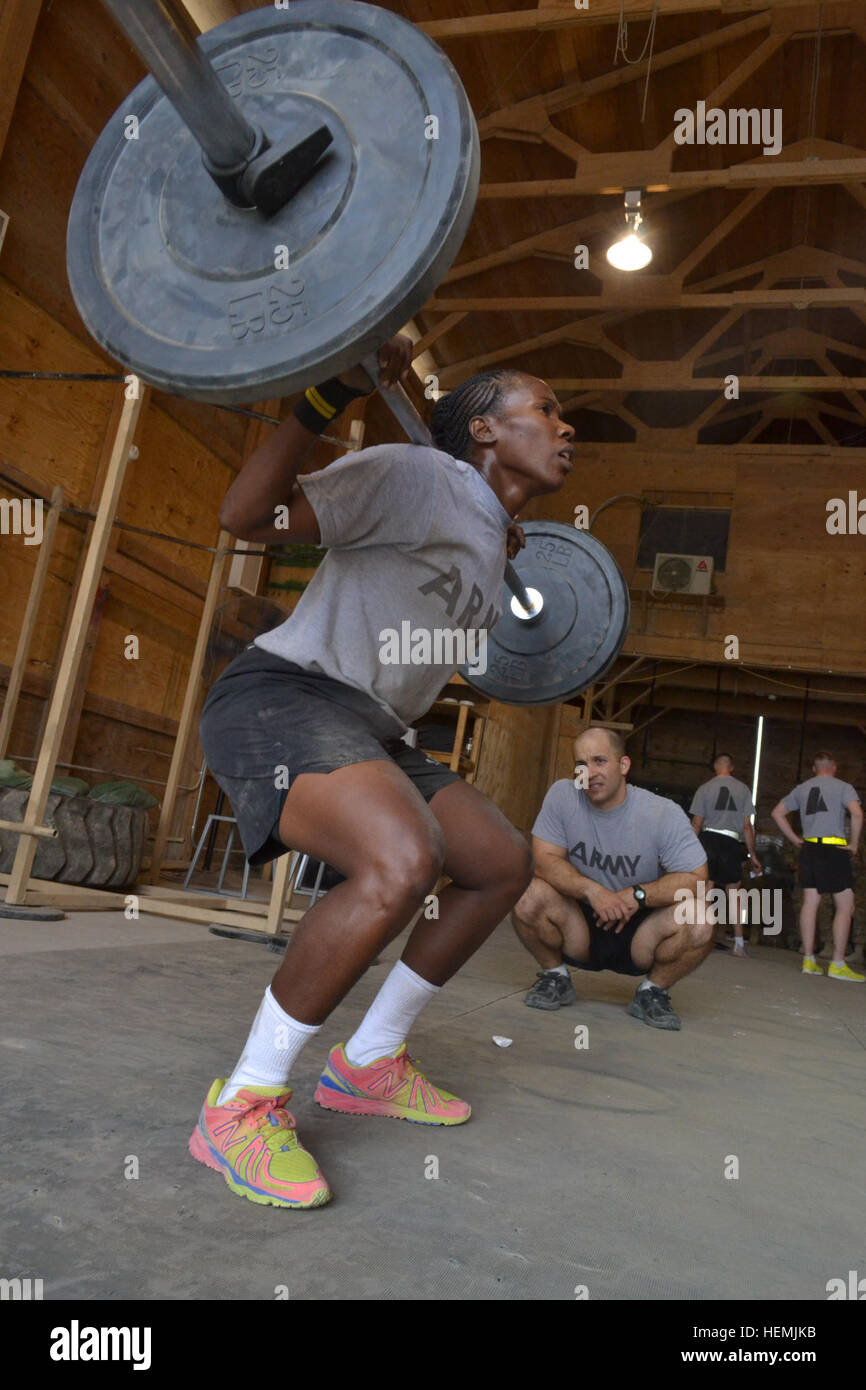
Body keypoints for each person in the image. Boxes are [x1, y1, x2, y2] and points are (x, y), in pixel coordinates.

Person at [191, 334, 577, 1208]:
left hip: (375, 726)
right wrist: (320, 402)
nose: (567, 426)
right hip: (285, 695)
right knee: (403, 858)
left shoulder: (491, 532)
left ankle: (368, 1060)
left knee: (498, 861)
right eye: (546, 408)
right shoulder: (415, 475)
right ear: (484, 427)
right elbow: (246, 515)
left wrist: (490, 537)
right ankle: (243, 1102)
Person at [512, 726, 710, 1031]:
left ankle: (652, 992)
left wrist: (637, 895)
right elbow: (543, 860)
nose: (589, 772)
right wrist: (592, 891)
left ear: (624, 765)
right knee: (525, 892)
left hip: (640, 930)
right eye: (581, 764)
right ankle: (555, 977)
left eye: (599, 761)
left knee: (701, 915)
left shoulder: (662, 813)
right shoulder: (563, 796)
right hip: (579, 922)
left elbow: (697, 879)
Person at [771, 752, 864, 981]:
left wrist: (795, 839)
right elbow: (857, 813)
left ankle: (809, 960)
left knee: (810, 904)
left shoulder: (802, 789)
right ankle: (838, 963)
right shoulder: (844, 787)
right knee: (845, 906)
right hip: (834, 850)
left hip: (810, 849)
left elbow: (777, 813)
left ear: (814, 768)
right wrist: (853, 843)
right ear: (834, 767)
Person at [690, 754, 762, 957]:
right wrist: (753, 854)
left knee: (706, 891)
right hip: (731, 843)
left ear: (715, 766)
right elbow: (747, 826)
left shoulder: (704, 788)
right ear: (732, 767)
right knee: (734, 894)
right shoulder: (743, 789)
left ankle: (697, 940)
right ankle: (739, 944)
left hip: (708, 840)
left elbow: (696, 822)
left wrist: (687, 849)